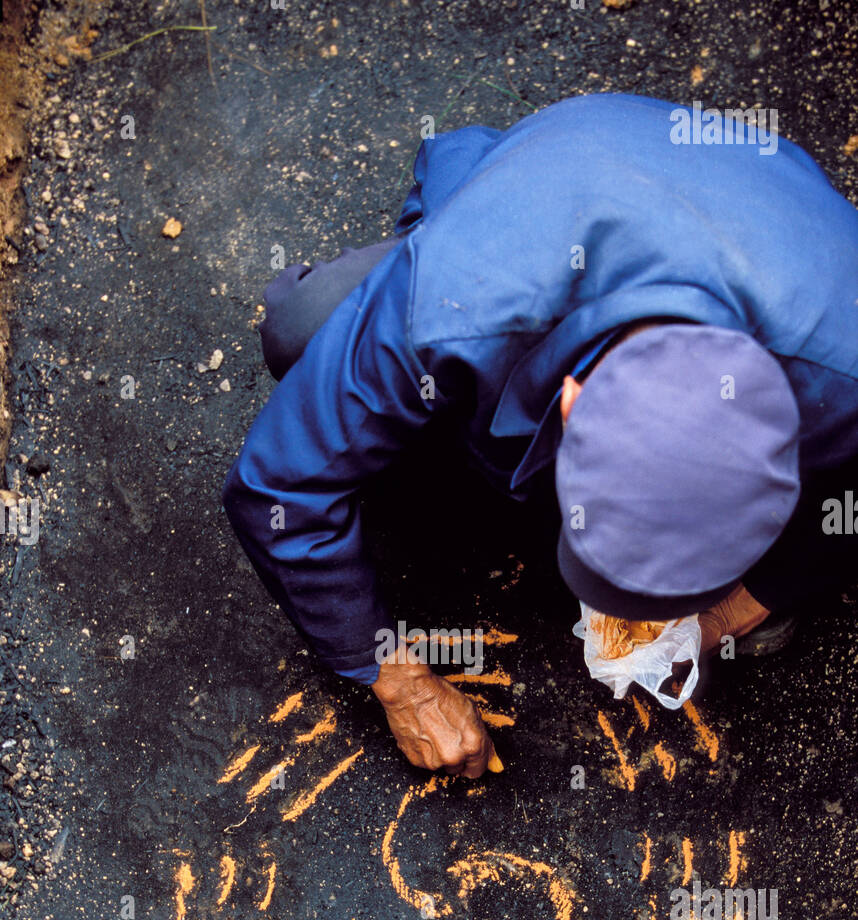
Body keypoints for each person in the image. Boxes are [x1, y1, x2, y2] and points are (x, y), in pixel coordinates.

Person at [223, 93, 858, 778]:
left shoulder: (842, 366)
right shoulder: (453, 305)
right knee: (303, 326)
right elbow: (278, 485)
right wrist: (399, 682)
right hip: (541, 194)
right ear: (574, 403)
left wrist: (734, 607)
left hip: (750, 223)